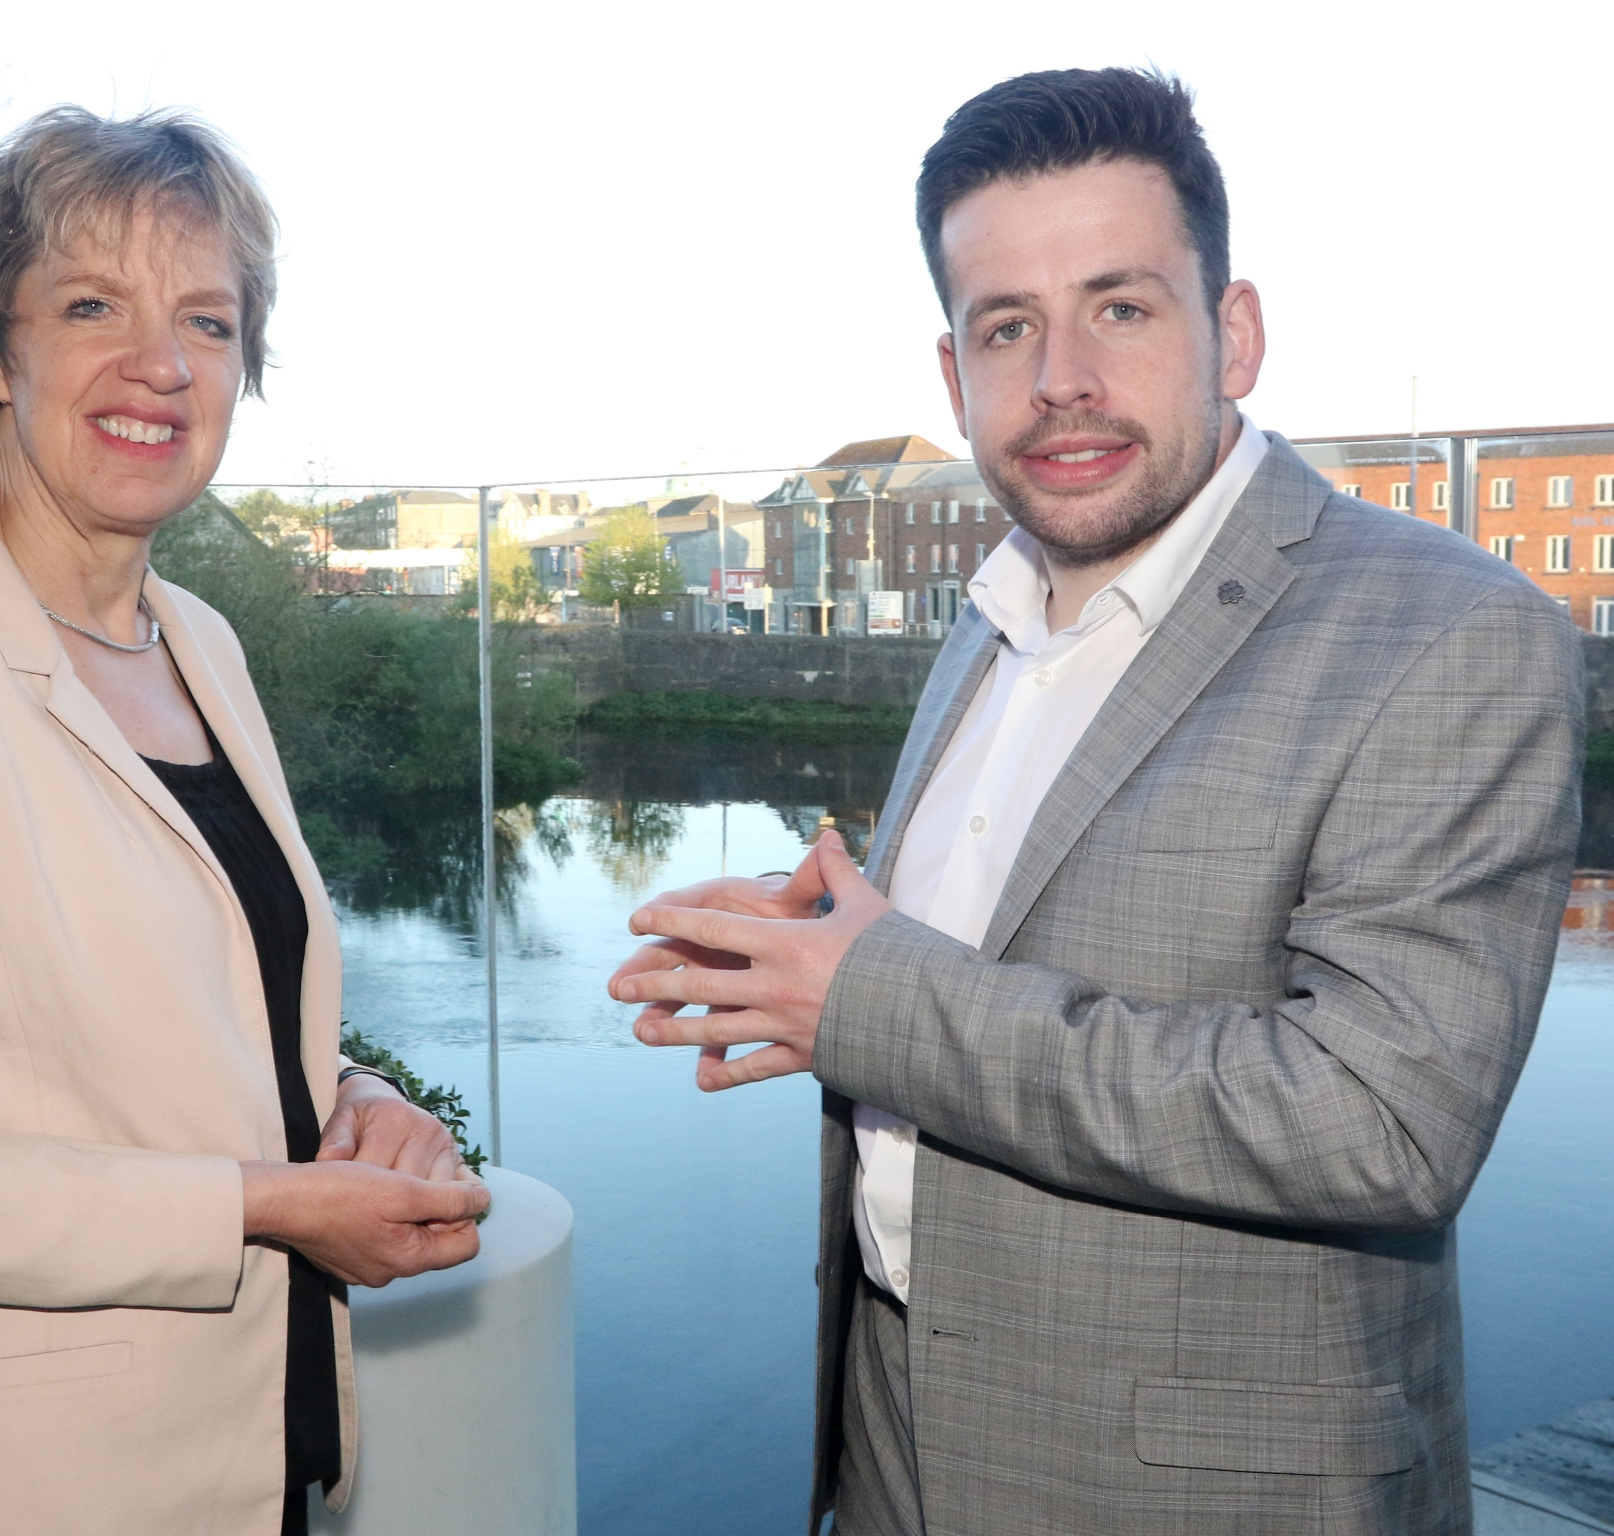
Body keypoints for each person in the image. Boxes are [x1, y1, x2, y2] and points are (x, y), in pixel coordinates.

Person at [609, 68, 1583, 1536]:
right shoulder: (988, 611)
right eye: (1009, 326)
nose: (1061, 373)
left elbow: (1382, 1121)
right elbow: (1007, 942)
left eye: (1119, 306)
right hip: (888, 1442)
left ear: (1232, 333)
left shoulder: (1445, 635)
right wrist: (820, 948)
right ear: (954, 378)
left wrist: (868, 997)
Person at [0, 106, 488, 1536]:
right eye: (91, 306)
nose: (160, 364)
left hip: (258, 1472)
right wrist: (261, 1203)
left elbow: (197, 1021)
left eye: (207, 318)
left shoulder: (200, 644)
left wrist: (353, 1109)